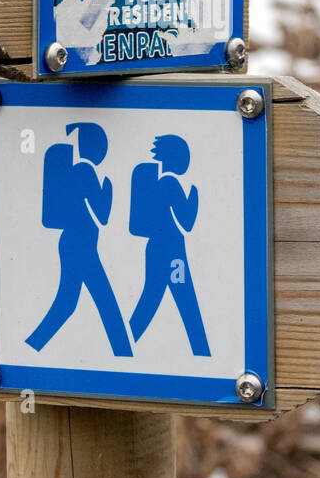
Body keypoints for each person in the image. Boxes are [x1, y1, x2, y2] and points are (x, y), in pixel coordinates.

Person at [27, 121, 132, 356]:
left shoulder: (75, 170)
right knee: (103, 300)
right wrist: (109, 188)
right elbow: (102, 214)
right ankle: (124, 353)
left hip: (76, 241)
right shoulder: (85, 170)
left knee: (67, 303)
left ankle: (32, 345)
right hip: (80, 243)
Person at [128, 134, 210, 356]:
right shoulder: (170, 182)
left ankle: (123, 346)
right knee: (182, 301)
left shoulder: (159, 182)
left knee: (155, 299)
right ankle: (202, 351)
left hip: (157, 247)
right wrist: (194, 195)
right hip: (171, 248)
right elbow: (187, 221)